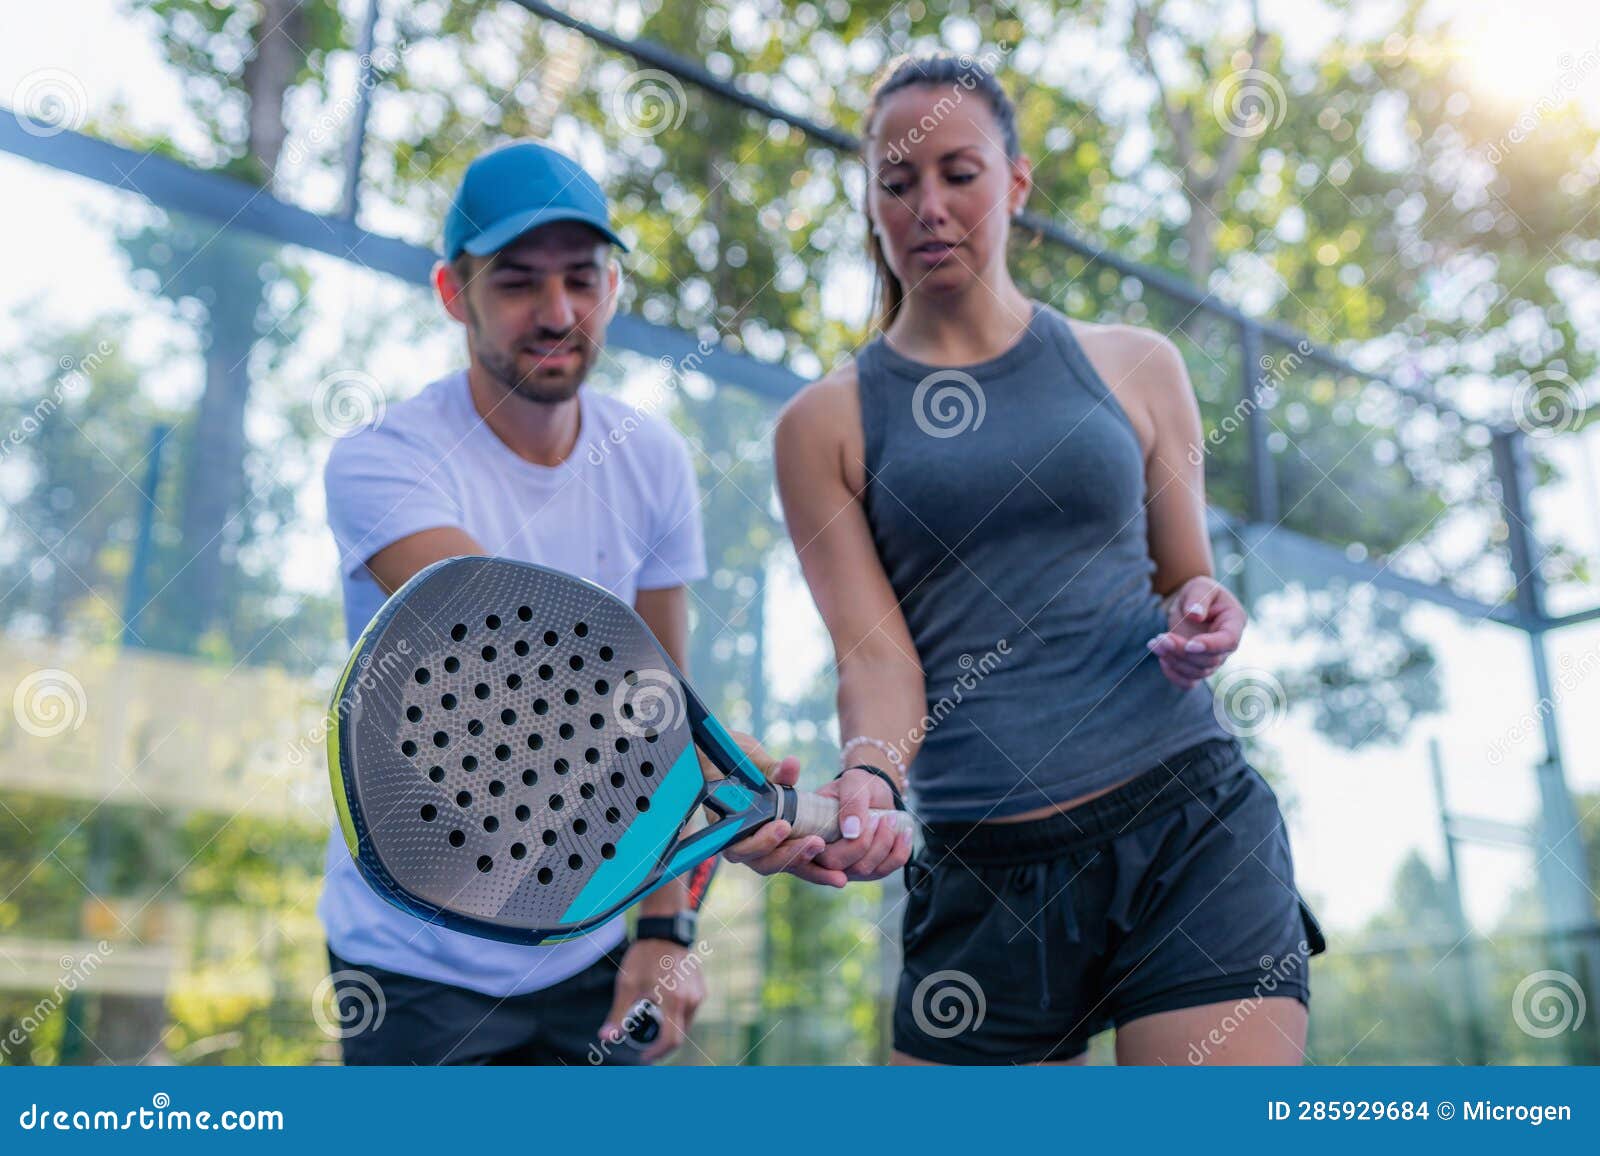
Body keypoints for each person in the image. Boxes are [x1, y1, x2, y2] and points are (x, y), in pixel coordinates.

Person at [735, 54, 1325, 1065]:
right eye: (896, 181)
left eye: (958, 173)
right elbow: (876, 658)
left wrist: (1203, 615)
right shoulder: (820, 424)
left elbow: (1182, 576)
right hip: (982, 875)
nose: (928, 205)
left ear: (1014, 183)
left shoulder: (1140, 366)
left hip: (1188, 826)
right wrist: (869, 778)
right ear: (871, 203)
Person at [317, 139, 797, 1064]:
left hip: (590, 936)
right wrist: (722, 790)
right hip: (412, 964)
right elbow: (509, 658)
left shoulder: (652, 459)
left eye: (583, 279)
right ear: (454, 293)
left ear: (612, 289)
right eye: (518, 283)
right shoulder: (384, 460)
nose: (557, 312)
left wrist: (665, 931)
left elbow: (662, 692)